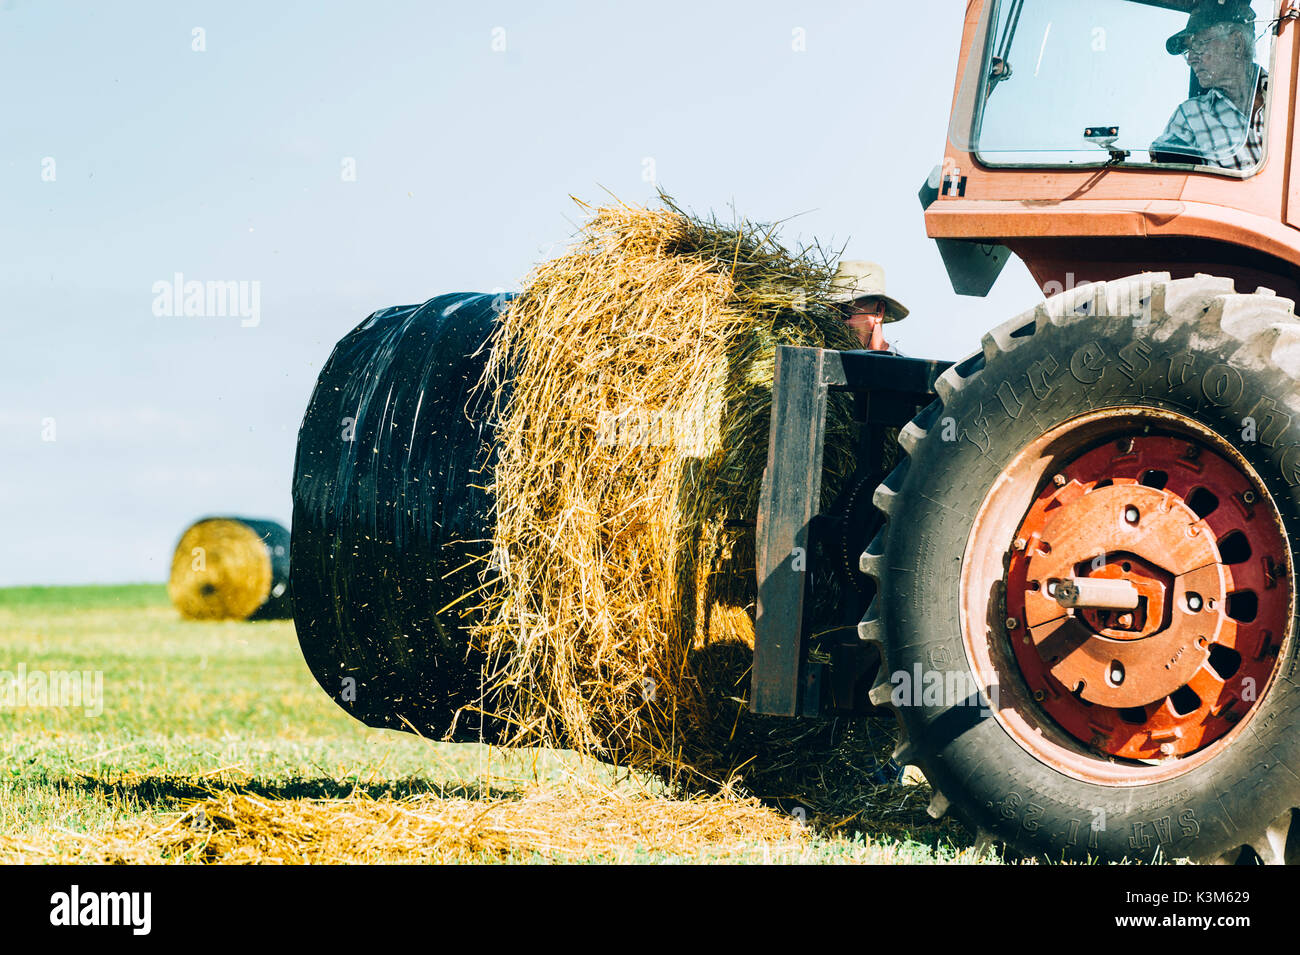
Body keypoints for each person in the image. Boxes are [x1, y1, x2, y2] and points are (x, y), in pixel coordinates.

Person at [1150, 0, 1267, 171]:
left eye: (1198, 45)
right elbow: (1168, 183)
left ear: (1237, 43)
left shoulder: (1290, 94)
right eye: (1187, 51)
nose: (1190, 59)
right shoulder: (1190, 117)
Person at [828, 261, 908, 351]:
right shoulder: (821, 361)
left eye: (845, 314)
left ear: (879, 312)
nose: (837, 324)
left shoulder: (903, 365)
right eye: (831, 316)